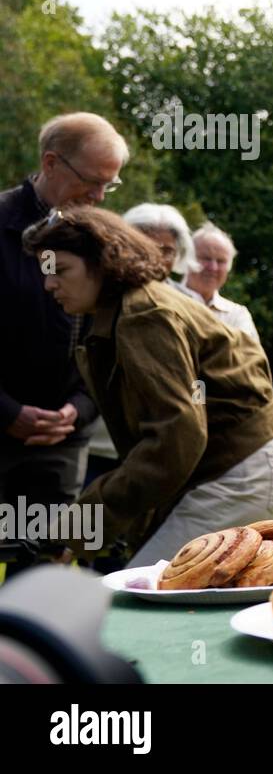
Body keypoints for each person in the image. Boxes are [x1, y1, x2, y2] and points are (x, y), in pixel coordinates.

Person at [22, 207, 273, 568]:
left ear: (103, 262)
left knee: (139, 593)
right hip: (239, 469)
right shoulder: (131, 309)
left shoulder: (143, 315)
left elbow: (176, 437)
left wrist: (81, 524)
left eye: (60, 271)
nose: (49, 285)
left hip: (241, 473)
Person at [1, 113, 127, 576]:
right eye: (92, 181)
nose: (98, 197)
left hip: (60, 440)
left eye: (108, 186)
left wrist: (79, 408)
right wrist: (9, 413)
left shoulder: (104, 242)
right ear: (50, 162)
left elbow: (111, 344)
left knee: (40, 573)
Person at [85, 203, 204, 487]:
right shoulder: (95, 299)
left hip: (158, 448)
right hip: (98, 443)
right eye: (146, 245)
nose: (156, 258)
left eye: (166, 251)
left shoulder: (187, 305)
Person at [182, 221, 260, 343]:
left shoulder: (237, 315)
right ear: (188, 258)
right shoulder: (162, 298)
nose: (213, 267)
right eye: (206, 258)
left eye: (221, 261)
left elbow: (247, 358)